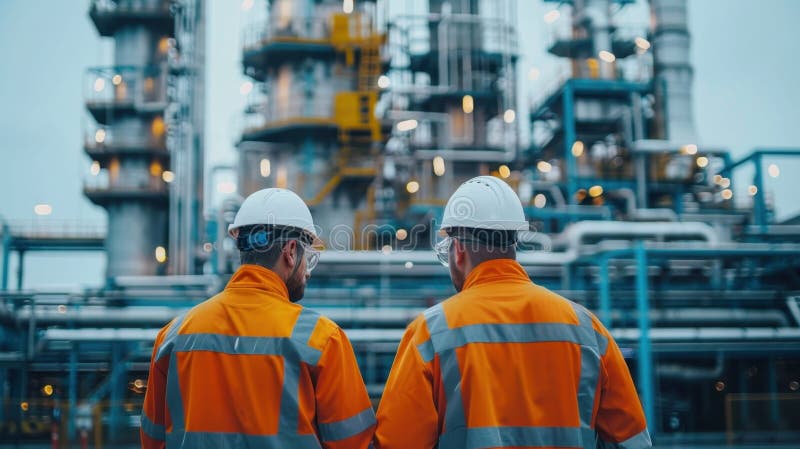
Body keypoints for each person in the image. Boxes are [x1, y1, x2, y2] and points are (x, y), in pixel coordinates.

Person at [375, 176, 651, 449]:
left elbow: (397, 443)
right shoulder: (587, 329)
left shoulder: (430, 333)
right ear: (513, 244)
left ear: (458, 249)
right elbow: (631, 442)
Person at [141, 188, 375, 449]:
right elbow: (355, 443)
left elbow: (153, 440)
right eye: (308, 258)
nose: (307, 272)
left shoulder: (174, 336)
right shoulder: (322, 339)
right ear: (291, 251)